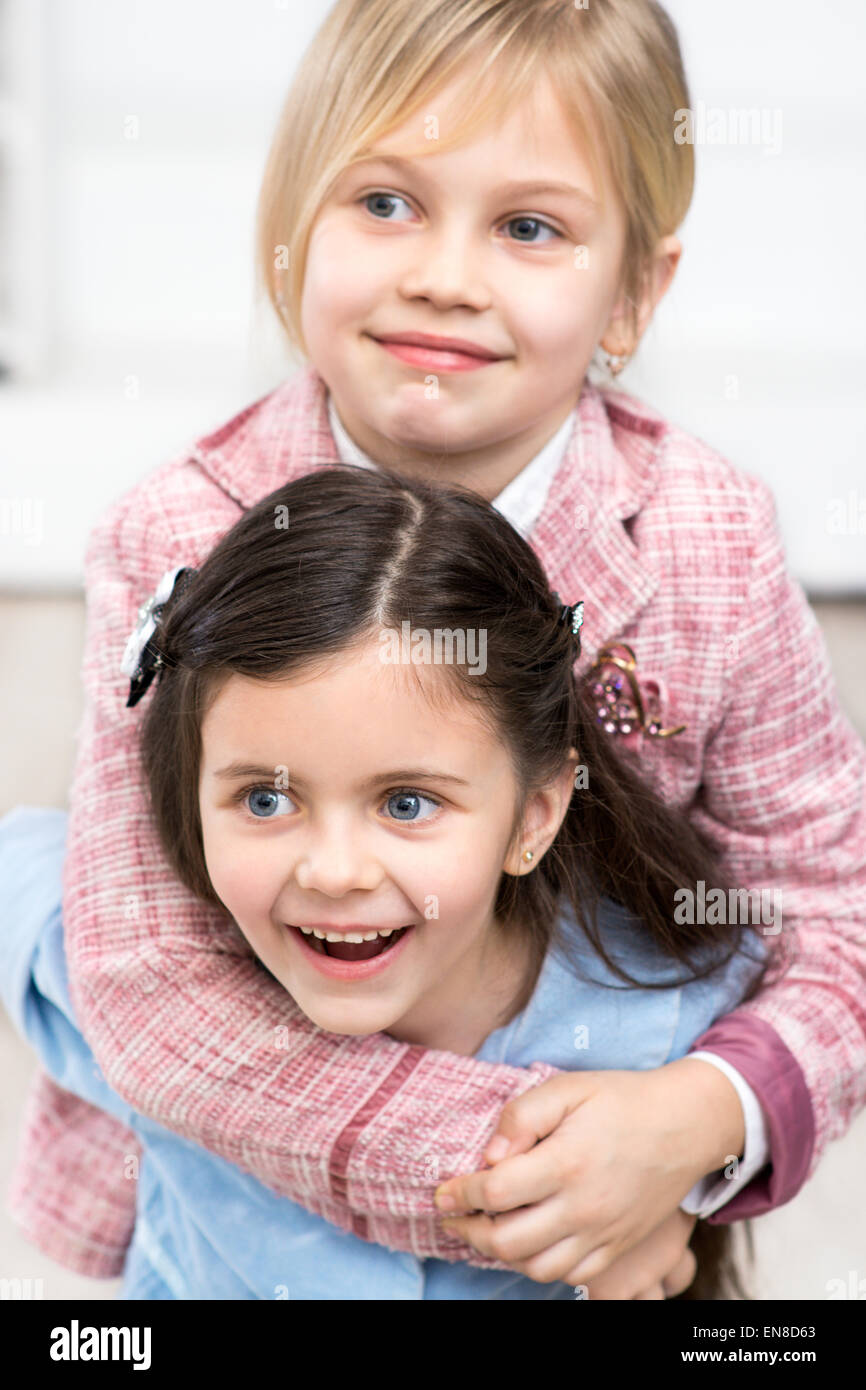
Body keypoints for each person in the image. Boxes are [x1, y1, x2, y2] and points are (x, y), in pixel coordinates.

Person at [7, 0, 865, 1294]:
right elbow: (148, 977)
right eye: (387, 204)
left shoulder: (706, 538)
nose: (444, 275)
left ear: (635, 286)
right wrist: (544, 1184)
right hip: (254, 1211)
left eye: (528, 226)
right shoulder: (175, 529)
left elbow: (824, 902)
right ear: (290, 228)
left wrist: (686, 1125)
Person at [1, 465, 770, 1299]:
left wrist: (675, 1186)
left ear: (535, 816)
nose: (333, 872)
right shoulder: (138, 984)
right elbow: (25, 867)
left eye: (407, 803)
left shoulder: (658, 1024)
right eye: (264, 798)